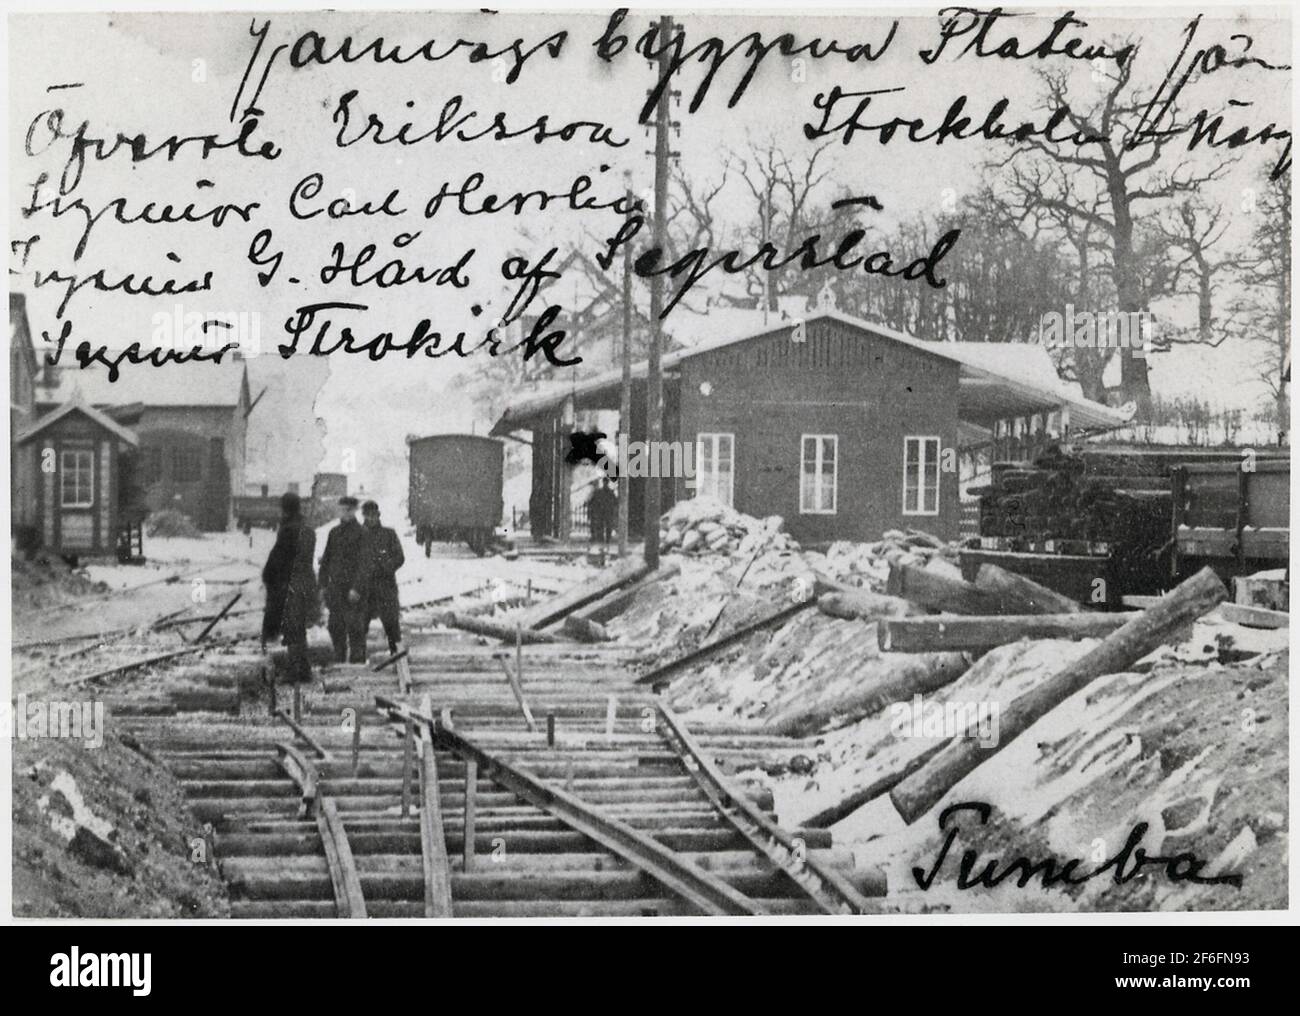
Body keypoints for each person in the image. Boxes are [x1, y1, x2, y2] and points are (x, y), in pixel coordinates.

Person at [261, 492, 319, 684]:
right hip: (306, 583)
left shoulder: (288, 530)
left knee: (292, 628)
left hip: (289, 584)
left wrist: (268, 576)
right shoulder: (308, 529)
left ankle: (295, 672)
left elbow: (278, 558)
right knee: (298, 628)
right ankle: (304, 669)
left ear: (285, 509)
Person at [318, 495, 367, 663]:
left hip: (353, 590)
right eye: (342, 510)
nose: (344, 513)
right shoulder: (334, 533)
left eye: (348, 510)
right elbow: (326, 560)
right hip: (336, 589)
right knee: (335, 626)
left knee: (355, 627)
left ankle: (357, 661)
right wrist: (323, 585)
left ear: (354, 511)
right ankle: (339, 657)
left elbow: (365, 565)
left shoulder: (362, 533)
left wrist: (357, 588)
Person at [358, 500, 405, 654]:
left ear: (378, 515)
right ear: (363, 516)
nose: (371, 518)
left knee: (392, 629)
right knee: (359, 630)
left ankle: (397, 657)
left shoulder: (388, 534)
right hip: (364, 591)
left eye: (374, 515)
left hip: (386, 589)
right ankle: (357, 663)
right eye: (368, 515)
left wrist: (384, 568)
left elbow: (399, 557)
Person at [589, 477, 618, 548]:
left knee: (606, 526)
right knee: (602, 526)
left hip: (605, 512)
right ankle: (604, 540)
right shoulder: (606, 492)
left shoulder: (604, 492)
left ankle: (606, 540)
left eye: (605, 482)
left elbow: (615, 502)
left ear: (606, 483)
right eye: (604, 482)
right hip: (603, 512)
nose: (605, 483)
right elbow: (615, 502)